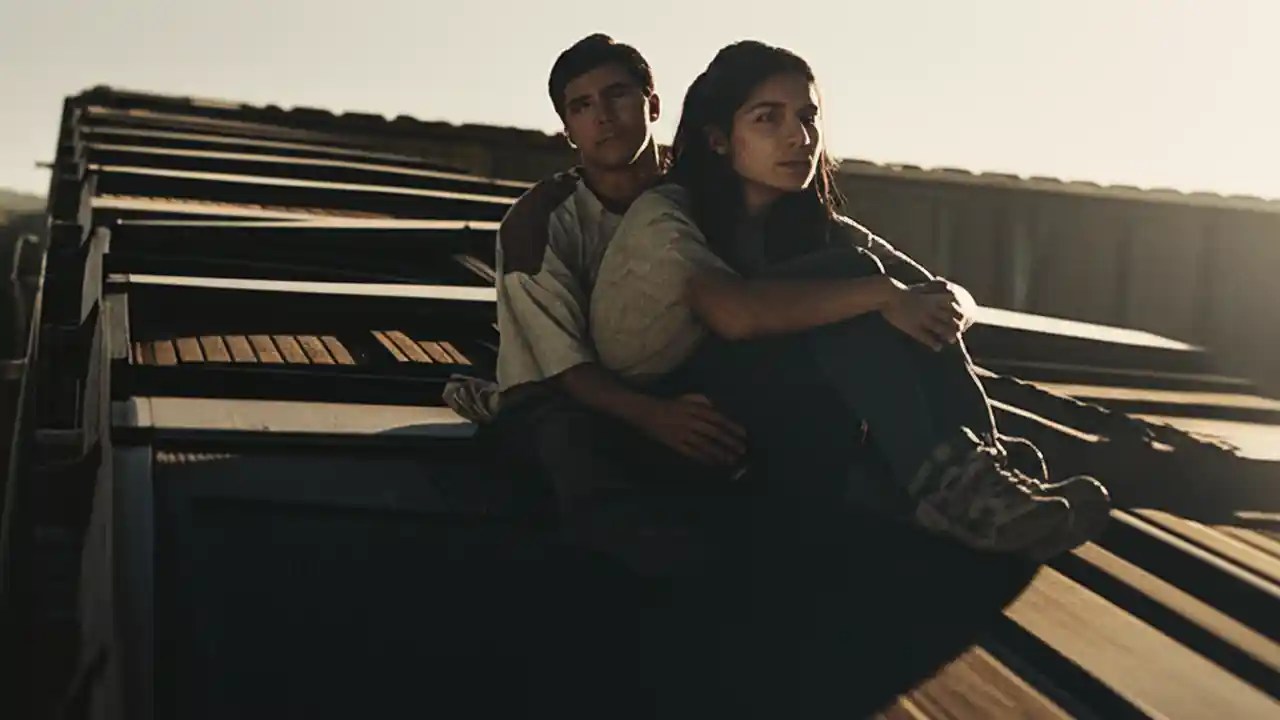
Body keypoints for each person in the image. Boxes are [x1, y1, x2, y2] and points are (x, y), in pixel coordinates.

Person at [590, 40, 1112, 562]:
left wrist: (939, 300)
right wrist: (882, 295)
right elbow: (735, 315)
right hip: (673, 433)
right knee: (851, 284)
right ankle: (955, 484)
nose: (799, 137)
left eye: (808, 117)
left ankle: (978, 470)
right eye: (768, 119)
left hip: (773, 427)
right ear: (718, 139)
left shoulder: (811, 225)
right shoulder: (668, 216)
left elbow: (934, 290)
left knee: (860, 291)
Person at [487, 34, 749, 580]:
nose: (603, 117)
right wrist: (656, 417)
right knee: (570, 446)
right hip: (558, 398)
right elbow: (564, 366)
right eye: (582, 107)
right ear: (568, 129)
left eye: (617, 95)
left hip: (674, 375)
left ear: (653, 105)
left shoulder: (702, 192)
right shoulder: (539, 221)